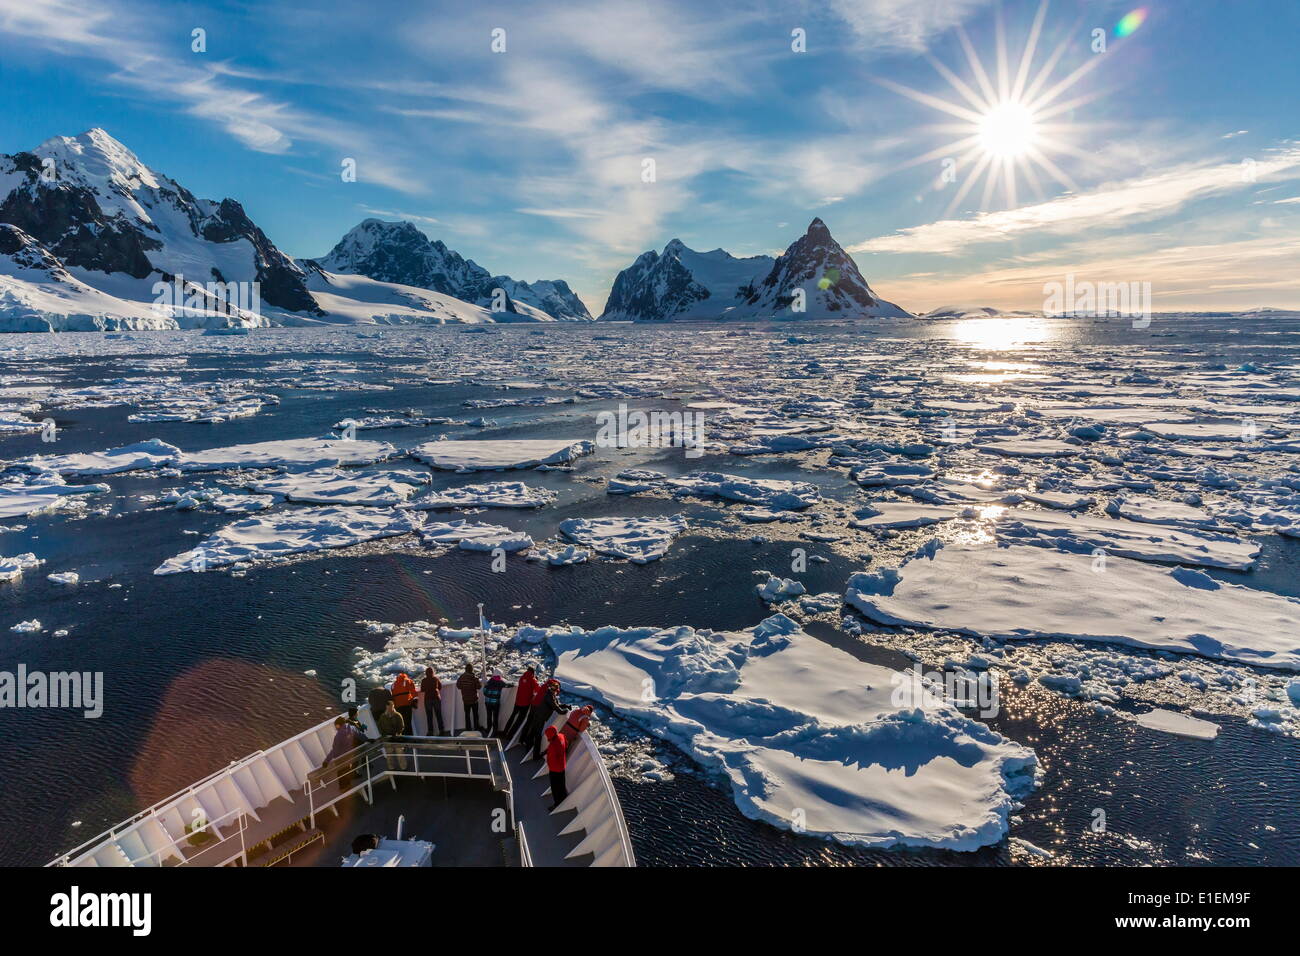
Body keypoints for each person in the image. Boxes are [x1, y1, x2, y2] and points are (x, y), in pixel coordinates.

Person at [524, 678, 565, 761]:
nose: (557, 692)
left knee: (533, 732)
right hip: (540, 717)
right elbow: (554, 705)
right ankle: (535, 756)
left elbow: (555, 703)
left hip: (538, 715)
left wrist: (564, 706)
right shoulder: (549, 695)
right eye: (556, 690)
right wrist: (562, 712)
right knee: (538, 735)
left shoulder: (549, 693)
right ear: (554, 689)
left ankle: (528, 748)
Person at [322, 716, 365, 791]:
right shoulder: (352, 729)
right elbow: (361, 737)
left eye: (336, 726)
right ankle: (352, 775)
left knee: (341, 768)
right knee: (350, 759)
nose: (336, 728)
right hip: (353, 754)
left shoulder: (338, 736)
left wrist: (326, 761)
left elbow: (334, 750)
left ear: (339, 725)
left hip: (343, 759)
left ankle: (344, 787)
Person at [501, 666, 538, 740]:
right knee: (519, 720)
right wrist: (536, 680)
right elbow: (537, 689)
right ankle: (510, 736)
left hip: (517, 701)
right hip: (525, 704)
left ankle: (504, 732)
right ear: (533, 673)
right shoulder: (533, 680)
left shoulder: (522, 678)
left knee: (512, 717)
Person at [376, 699, 407, 770]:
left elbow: (402, 726)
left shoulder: (398, 715)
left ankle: (404, 767)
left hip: (397, 738)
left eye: (391, 707)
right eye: (388, 707)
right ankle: (391, 768)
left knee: (400, 753)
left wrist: (397, 733)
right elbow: (379, 726)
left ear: (393, 706)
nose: (390, 709)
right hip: (387, 738)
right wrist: (383, 734)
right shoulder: (382, 716)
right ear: (386, 707)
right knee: (389, 754)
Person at [544, 726, 568, 811]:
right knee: (562, 783)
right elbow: (566, 745)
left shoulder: (552, 746)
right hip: (562, 765)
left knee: (555, 787)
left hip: (555, 769)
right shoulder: (561, 736)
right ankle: (564, 797)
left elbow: (550, 759)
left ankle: (557, 804)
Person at [391, 671, 418, 742]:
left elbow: (393, 696)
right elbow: (413, 691)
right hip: (407, 705)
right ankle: (411, 740)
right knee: (408, 723)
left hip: (398, 707)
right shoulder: (407, 681)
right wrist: (415, 701)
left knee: (401, 724)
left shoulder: (393, 685)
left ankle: (403, 739)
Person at [456, 663, 482, 734]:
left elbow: (458, 686)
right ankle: (476, 728)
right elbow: (479, 687)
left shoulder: (462, 677)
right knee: (475, 715)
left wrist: (464, 688)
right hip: (474, 700)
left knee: (467, 715)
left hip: (465, 699)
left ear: (465, 669)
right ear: (472, 670)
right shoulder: (474, 678)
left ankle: (468, 729)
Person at [420, 666, 445, 736]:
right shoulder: (435, 679)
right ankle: (441, 730)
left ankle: (430, 731)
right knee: (438, 715)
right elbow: (440, 687)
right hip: (436, 698)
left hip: (428, 700)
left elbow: (422, 690)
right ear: (432, 672)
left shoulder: (424, 680)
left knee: (429, 716)